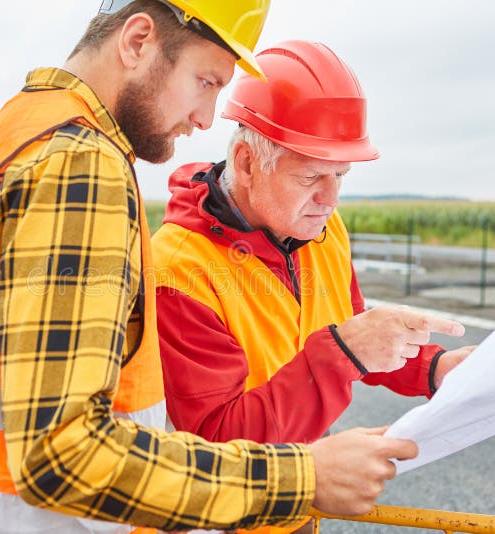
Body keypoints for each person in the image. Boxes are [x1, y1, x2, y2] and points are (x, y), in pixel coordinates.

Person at [0, 3, 422, 532]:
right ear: (138, 40)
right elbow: (63, 455)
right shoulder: (78, 166)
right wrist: (301, 479)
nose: (206, 118)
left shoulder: (14, 131)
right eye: (205, 81)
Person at [153, 41, 475, 450]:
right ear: (247, 163)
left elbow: (351, 324)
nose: (331, 199)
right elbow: (218, 442)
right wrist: (342, 352)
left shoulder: (321, 228)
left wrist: (434, 368)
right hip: (228, 510)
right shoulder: (179, 271)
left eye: (340, 175)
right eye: (311, 177)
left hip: (301, 500)